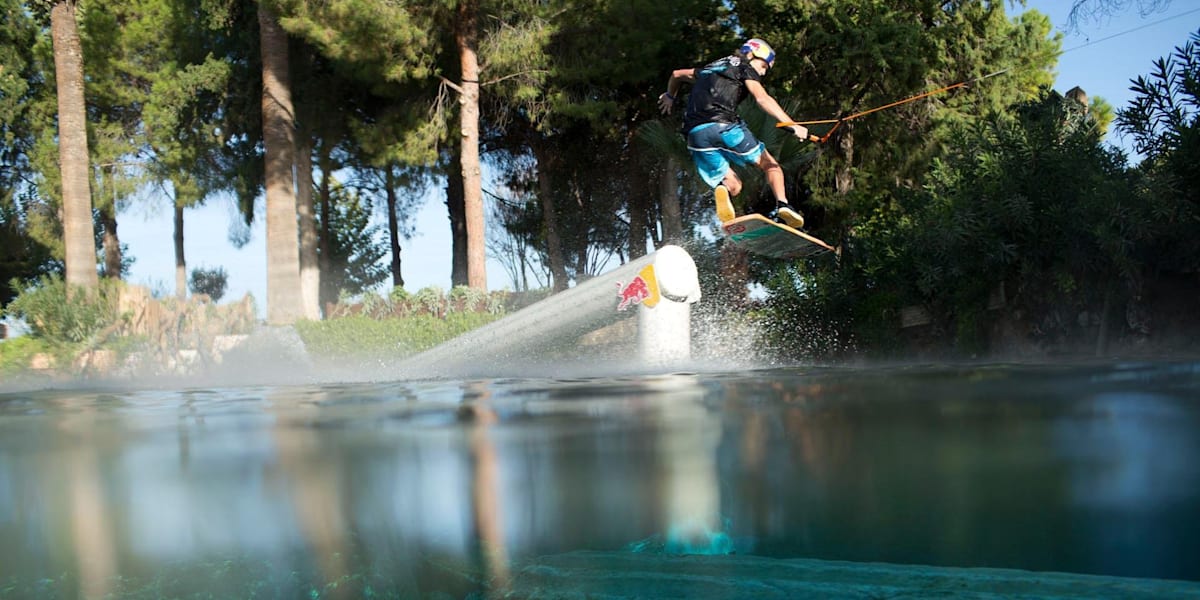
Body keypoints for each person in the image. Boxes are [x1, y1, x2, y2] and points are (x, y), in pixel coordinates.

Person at [658, 38, 810, 228]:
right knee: (771, 165)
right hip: (725, 127)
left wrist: (669, 96)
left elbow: (677, 74)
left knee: (734, 185)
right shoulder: (745, 68)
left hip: (695, 136)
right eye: (763, 66)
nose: (763, 72)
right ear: (750, 54)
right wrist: (792, 125)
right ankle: (783, 205)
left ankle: (723, 187)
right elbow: (762, 98)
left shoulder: (708, 69)